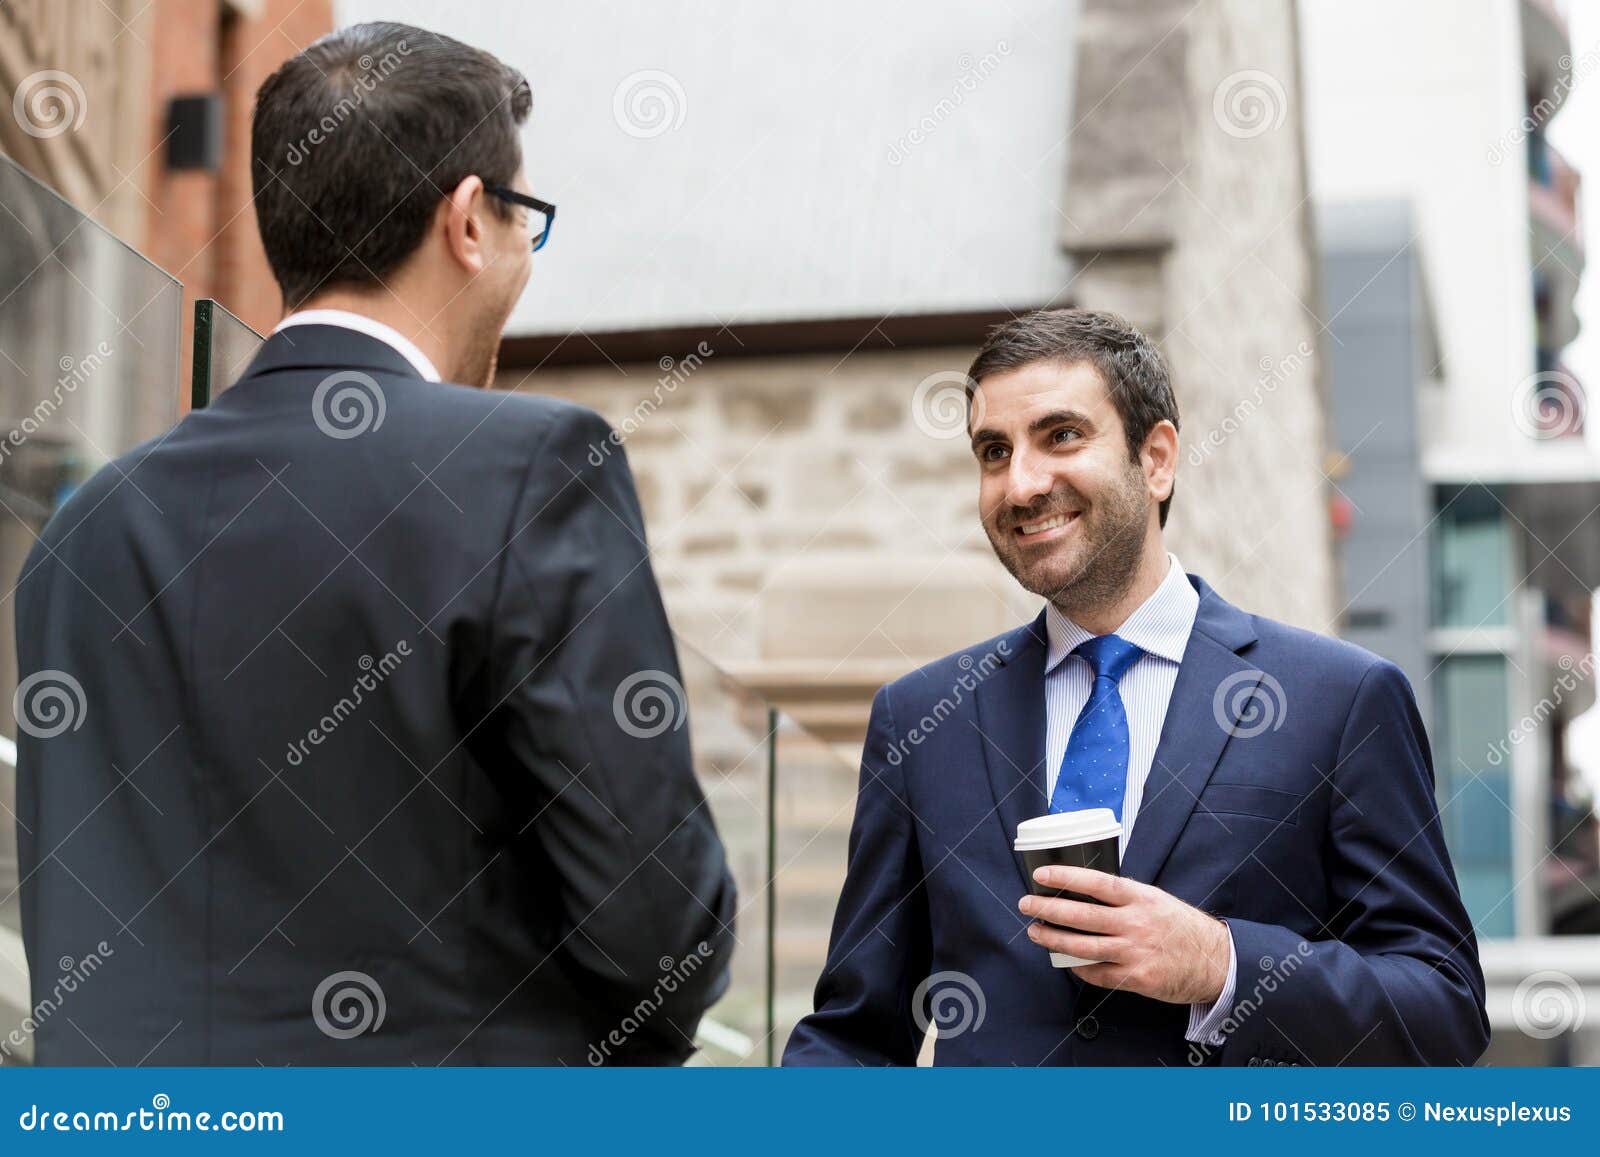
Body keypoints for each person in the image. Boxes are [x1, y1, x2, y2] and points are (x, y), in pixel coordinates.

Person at [14, 22, 734, 1066]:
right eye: (525, 216)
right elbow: (652, 928)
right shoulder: (527, 468)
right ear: (469, 222)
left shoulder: (83, 530)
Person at [783, 308, 1488, 1066]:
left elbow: (1441, 1007)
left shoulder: (1340, 700)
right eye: (994, 451)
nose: (1020, 484)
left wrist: (1222, 964)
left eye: (1060, 436)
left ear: (1156, 459)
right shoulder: (922, 719)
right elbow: (853, 1036)